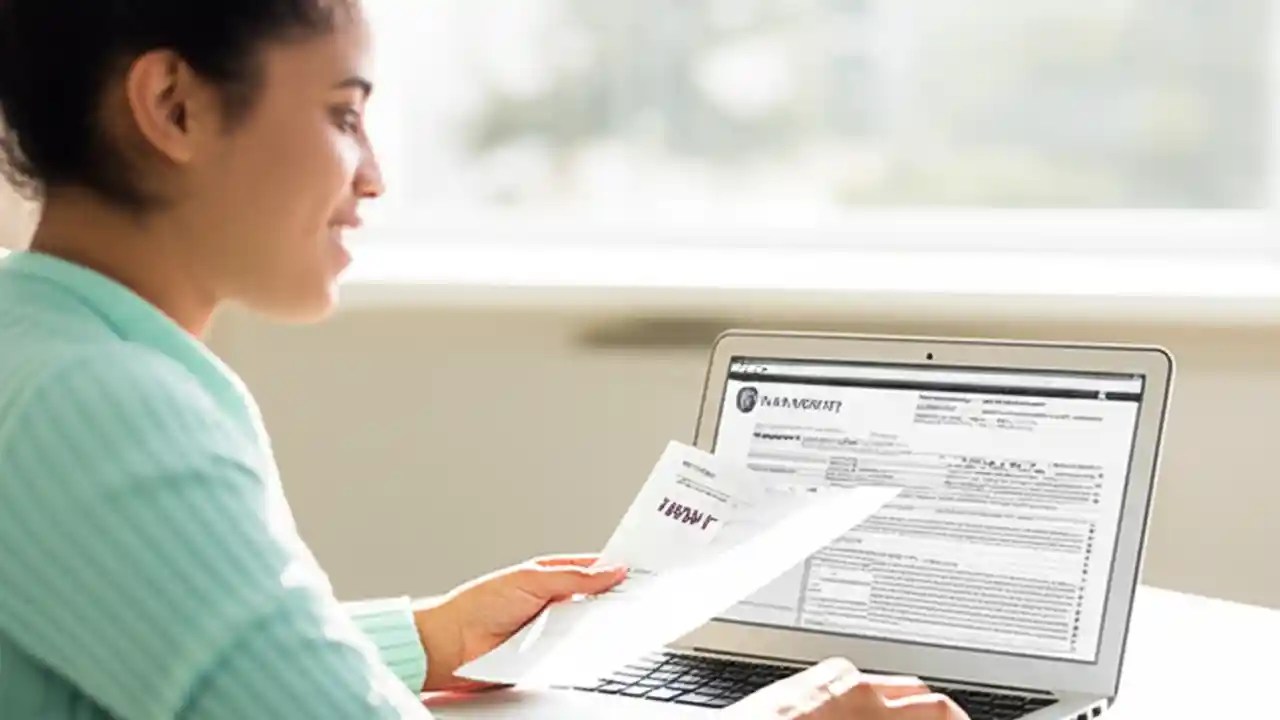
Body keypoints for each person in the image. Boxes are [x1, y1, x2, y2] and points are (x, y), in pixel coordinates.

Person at [0, 2, 967, 718]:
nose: (373, 175)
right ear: (174, 107)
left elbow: (163, 642)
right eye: (343, 115)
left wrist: (425, 640)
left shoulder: (36, 339)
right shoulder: (100, 406)